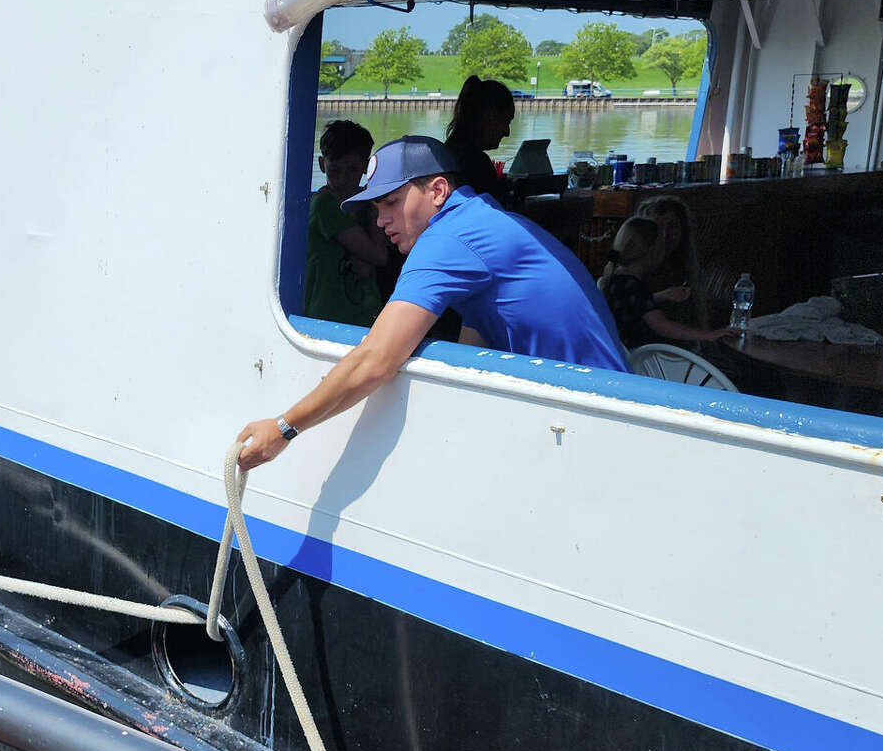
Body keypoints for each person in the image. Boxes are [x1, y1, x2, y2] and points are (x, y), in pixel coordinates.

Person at [236, 136, 626, 470]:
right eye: (374, 210)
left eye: (391, 203)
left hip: (599, 416)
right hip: (601, 397)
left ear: (438, 191)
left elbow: (376, 359)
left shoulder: (447, 240)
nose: (381, 221)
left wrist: (285, 427)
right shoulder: (479, 215)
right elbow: (475, 332)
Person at [598, 216, 734, 350]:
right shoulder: (635, 285)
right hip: (640, 358)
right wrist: (709, 335)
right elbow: (663, 326)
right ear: (652, 251)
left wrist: (662, 295)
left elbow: (632, 304)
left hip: (624, 352)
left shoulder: (616, 277)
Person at [304, 119, 391, 327]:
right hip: (328, 316)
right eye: (335, 171)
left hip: (362, 313)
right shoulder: (325, 206)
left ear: (365, 167)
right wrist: (374, 209)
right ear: (322, 165)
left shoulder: (360, 202)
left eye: (352, 170)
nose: (343, 180)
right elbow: (379, 256)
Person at [444, 75, 515, 204]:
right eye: (506, 122)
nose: (507, 132)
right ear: (490, 117)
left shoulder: (446, 154)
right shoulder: (477, 164)